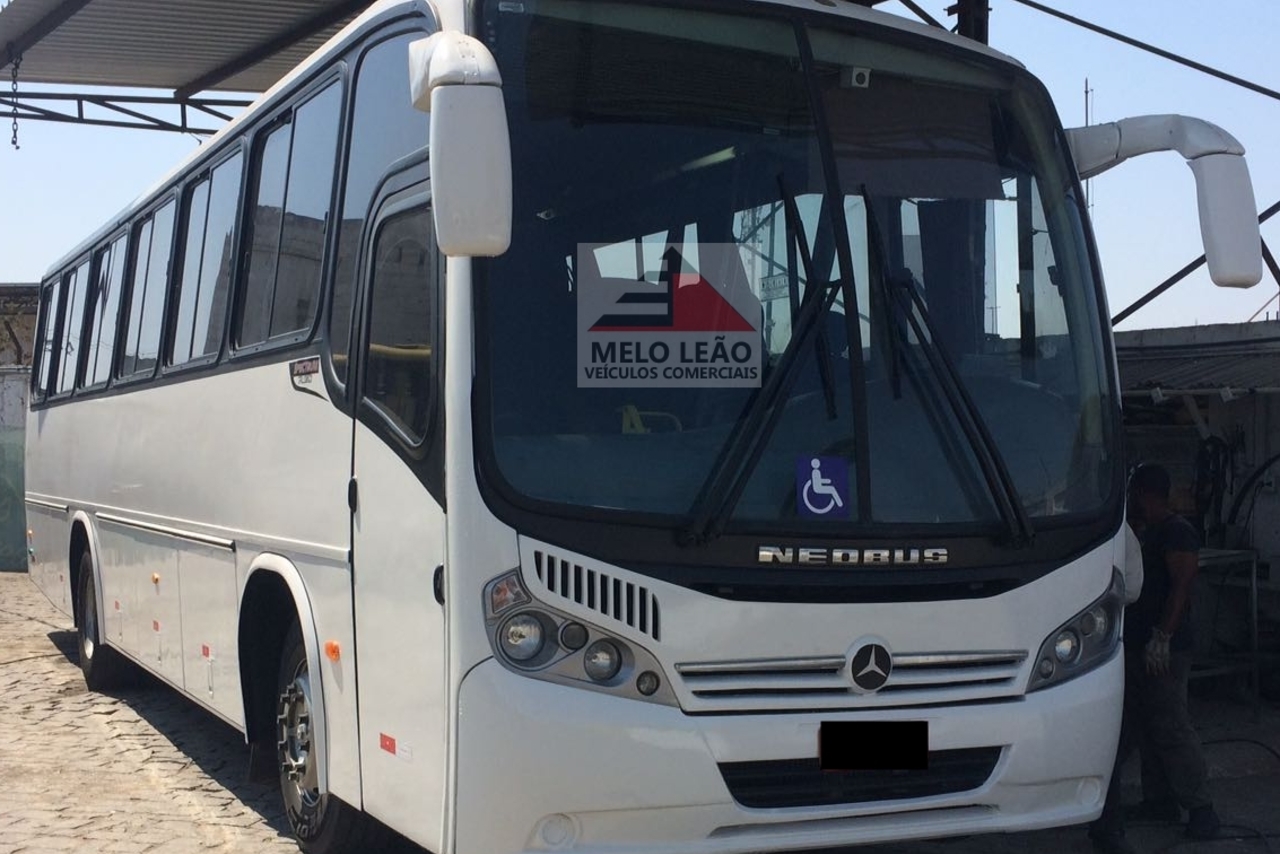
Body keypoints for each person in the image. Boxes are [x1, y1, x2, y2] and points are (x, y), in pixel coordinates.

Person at [1089, 464, 1220, 854]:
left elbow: (1181, 586)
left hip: (1165, 650)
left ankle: (1202, 809)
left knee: (1171, 724)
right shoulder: (1141, 530)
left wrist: (1163, 636)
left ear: (1145, 492)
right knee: (1143, 726)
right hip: (1136, 646)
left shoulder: (1176, 531)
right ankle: (1159, 801)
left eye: (1131, 490)